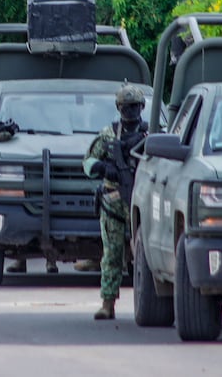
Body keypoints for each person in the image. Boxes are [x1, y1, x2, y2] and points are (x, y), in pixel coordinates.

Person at [83, 83, 148, 320]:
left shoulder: (151, 135)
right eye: (125, 107)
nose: (130, 111)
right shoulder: (107, 135)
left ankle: (153, 304)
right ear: (118, 108)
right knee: (112, 254)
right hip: (113, 202)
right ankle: (108, 303)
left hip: (142, 202)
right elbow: (88, 162)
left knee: (147, 255)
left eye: (134, 106)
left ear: (141, 107)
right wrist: (103, 168)